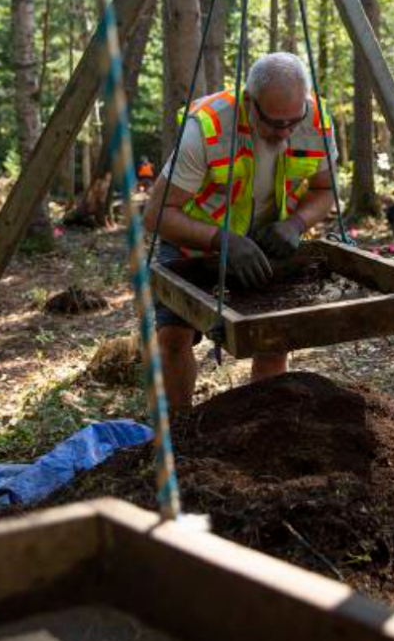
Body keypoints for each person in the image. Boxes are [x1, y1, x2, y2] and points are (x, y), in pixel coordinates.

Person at [142, 53, 338, 409]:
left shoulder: (316, 121)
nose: (287, 132)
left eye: (295, 120)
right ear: (250, 101)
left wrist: (295, 224)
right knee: (173, 336)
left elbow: (325, 191)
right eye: (276, 123)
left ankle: (262, 425)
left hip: (267, 241)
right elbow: (156, 215)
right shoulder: (206, 128)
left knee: (274, 335)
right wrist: (223, 240)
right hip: (195, 241)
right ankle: (177, 429)